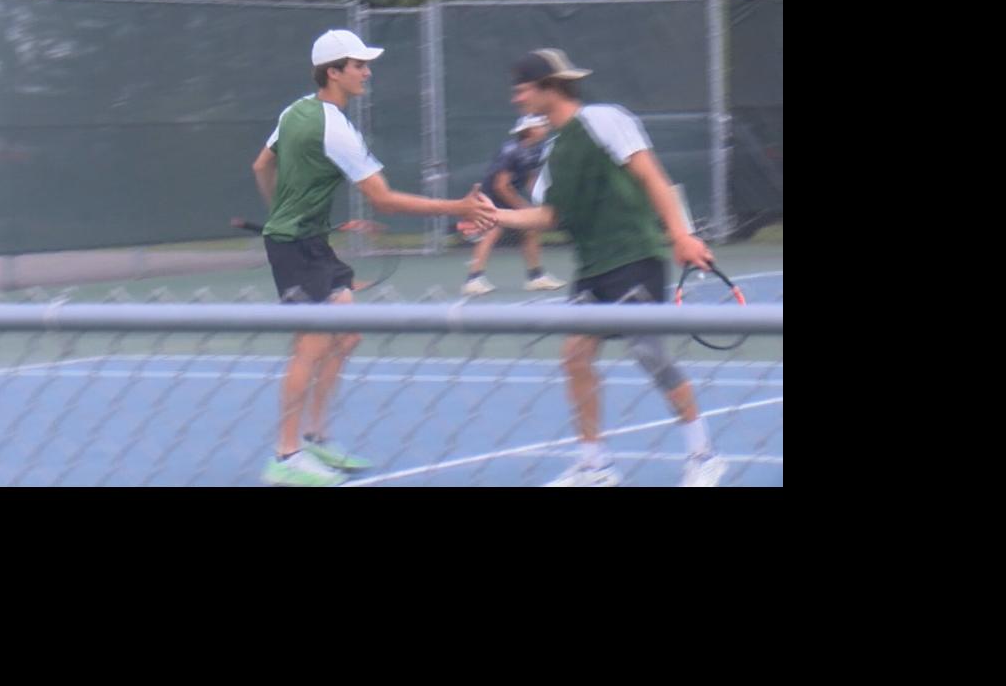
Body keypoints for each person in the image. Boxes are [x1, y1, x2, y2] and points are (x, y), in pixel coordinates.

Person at [251, 29, 497, 487]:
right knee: (312, 343)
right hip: (297, 245)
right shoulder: (335, 128)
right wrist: (458, 208)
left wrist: (278, 212)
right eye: (358, 64)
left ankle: (315, 436)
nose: (368, 72)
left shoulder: (293, 112)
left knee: (346, 334)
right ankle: (285, 458)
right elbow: (383, 199)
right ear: (334, 72)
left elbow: (261, 165)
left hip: (304, 241)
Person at [486, 49, 728, 487]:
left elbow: (652, 176)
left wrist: (681, 235)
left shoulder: (603, 119)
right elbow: (549, 216)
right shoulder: (554, 151)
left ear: (549, 87)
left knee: (648, 354)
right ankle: (595, 465)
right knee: (575, 356)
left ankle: (704, 454)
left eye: (521, 90)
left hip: (634, 254)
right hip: (593, 267)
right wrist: (496, 217)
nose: (516, 100)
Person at [460, 114, 565, 295]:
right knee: (491, 233)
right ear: (530, 130)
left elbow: (530, 178)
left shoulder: (535, 150)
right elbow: (500, 186)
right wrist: (522, 207)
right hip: (490, 200)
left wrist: (538, 201)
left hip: (507, 199)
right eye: (541, 125)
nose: (546, 128)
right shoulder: (510, 151)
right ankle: (473, 280)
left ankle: (536, 277)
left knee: (530, 230)